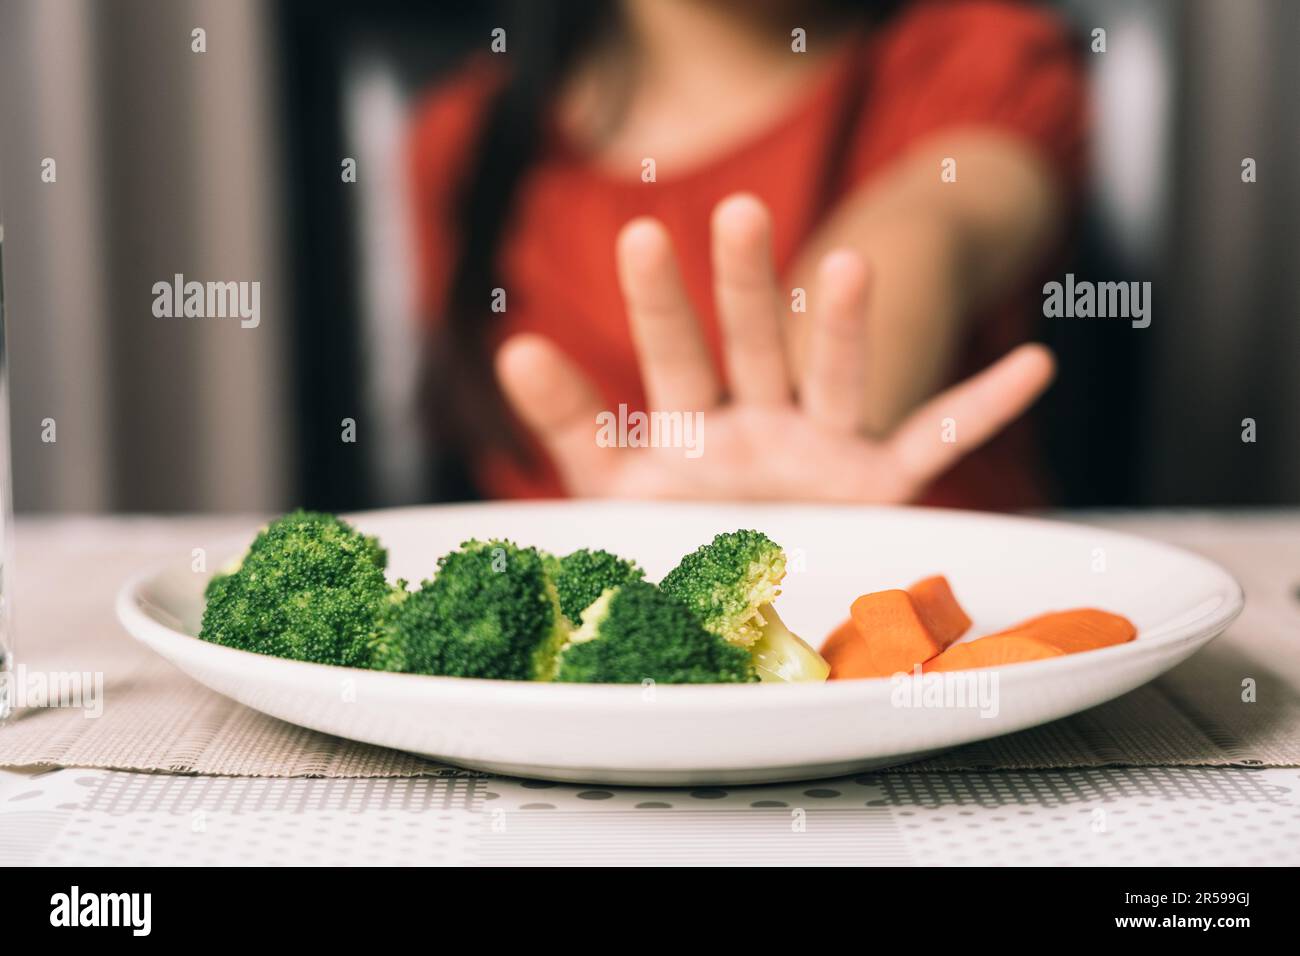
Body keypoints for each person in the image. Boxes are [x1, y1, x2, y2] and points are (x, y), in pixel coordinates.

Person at [408, 0, 1086, 507]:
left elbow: (922, 232)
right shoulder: (463, 140)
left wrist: (795, 457)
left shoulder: (969, 56)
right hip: (576, 680)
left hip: (933, 658)